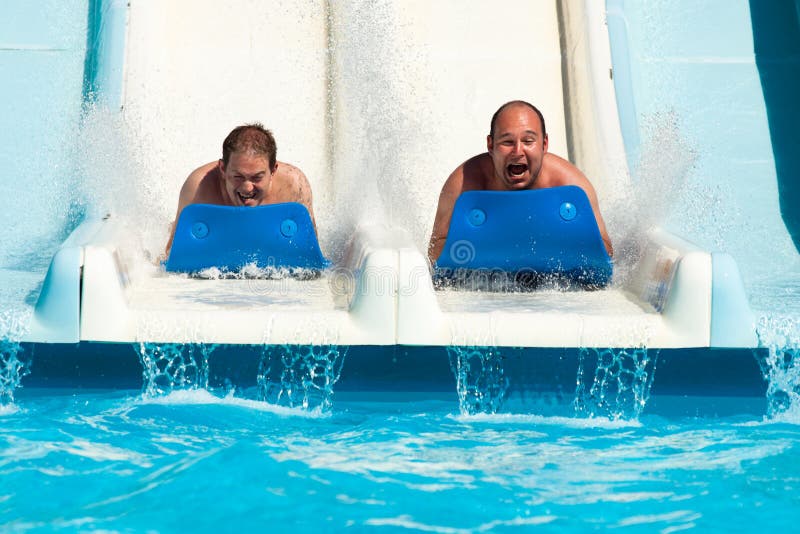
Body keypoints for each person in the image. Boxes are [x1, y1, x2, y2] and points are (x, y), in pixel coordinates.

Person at [428, 100, 613, 264]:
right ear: (490, 145)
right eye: (507, 142)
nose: (517, 151)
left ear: (544, 144)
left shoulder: (569, 184)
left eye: (528, 141)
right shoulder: (464, 183)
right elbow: (435, 252)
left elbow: (605, 252)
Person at [165, 123, 316, 255]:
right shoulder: (198, 188)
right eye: (238, 177)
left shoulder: (294, 185)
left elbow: (311, 253)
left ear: (273, 170)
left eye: (257, 177)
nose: (247, 188)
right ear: (222, 169)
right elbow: (171, 255)